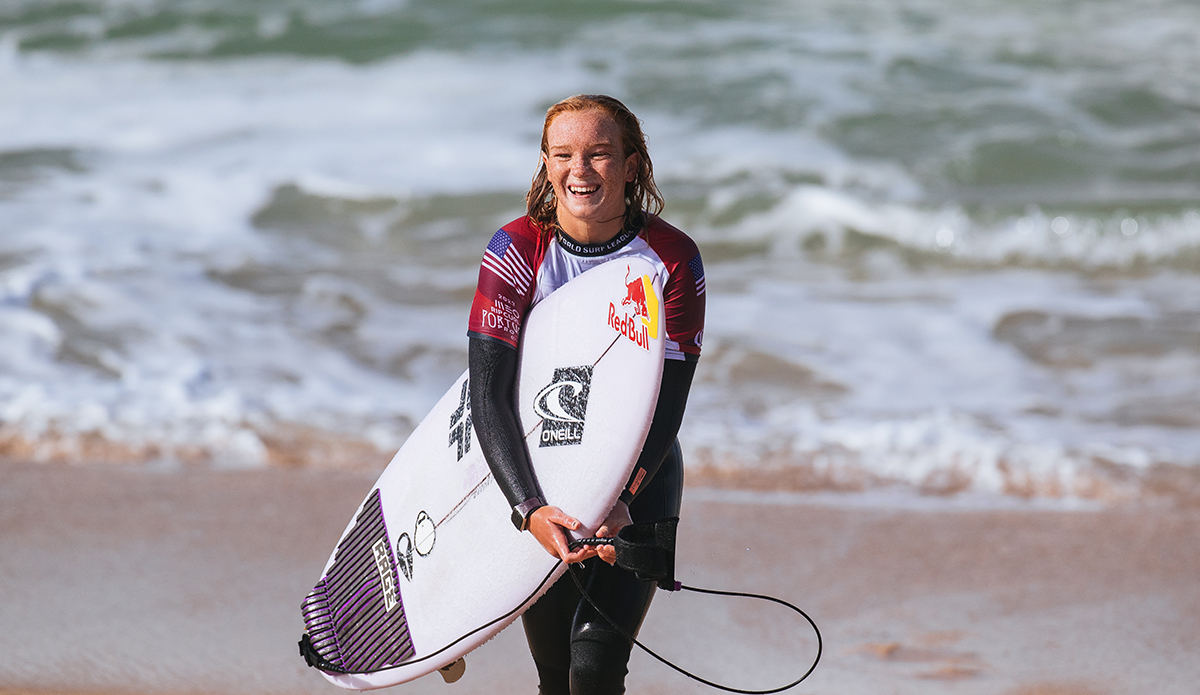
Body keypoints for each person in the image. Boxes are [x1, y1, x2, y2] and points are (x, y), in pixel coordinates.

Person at [466, 94, 705, 695]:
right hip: (541, 480)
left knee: (593, 670)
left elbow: (668, 403)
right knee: (554, 675)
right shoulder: (517, 250)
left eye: (599, 154)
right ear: (546, 165)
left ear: (630, 166)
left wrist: (624, 496)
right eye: (564, 154)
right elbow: (487, 397)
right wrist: (529, 508)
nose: (581, 170)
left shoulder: (671, 259)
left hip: (640, 482)